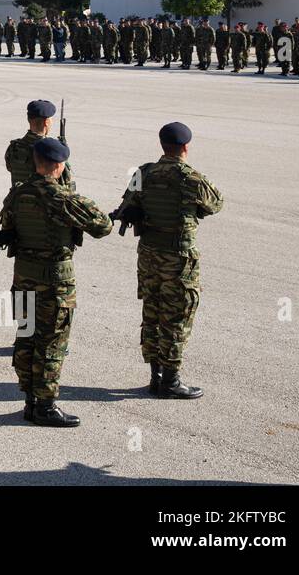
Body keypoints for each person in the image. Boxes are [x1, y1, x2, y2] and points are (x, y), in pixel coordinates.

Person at [0, 138, 112, 427]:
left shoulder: (17, 195)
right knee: (52, 342)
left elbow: (8, 229)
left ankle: (29, 401)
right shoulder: (66, 200)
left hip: (23, 278)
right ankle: (45, 405)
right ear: (60, 166)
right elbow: (103, 226)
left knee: (27, 337)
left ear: (35, 163)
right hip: (55, 283)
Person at [114, 122, 222, 399]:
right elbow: (215, 204)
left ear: (162, 146)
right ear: (186, 147)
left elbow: (127, 204)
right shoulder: (191, 178)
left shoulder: (143, 172)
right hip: (178, 258)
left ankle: (155, 376)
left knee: (152, 312)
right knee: (176, 317)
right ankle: (171, 381)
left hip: (149, 254)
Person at [5, 99, 71, 188]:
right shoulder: (52, 151)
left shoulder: (14, 147)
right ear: (46, 122)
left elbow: (10, 168)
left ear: (28, 119)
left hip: (19, 198)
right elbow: (64, 180)